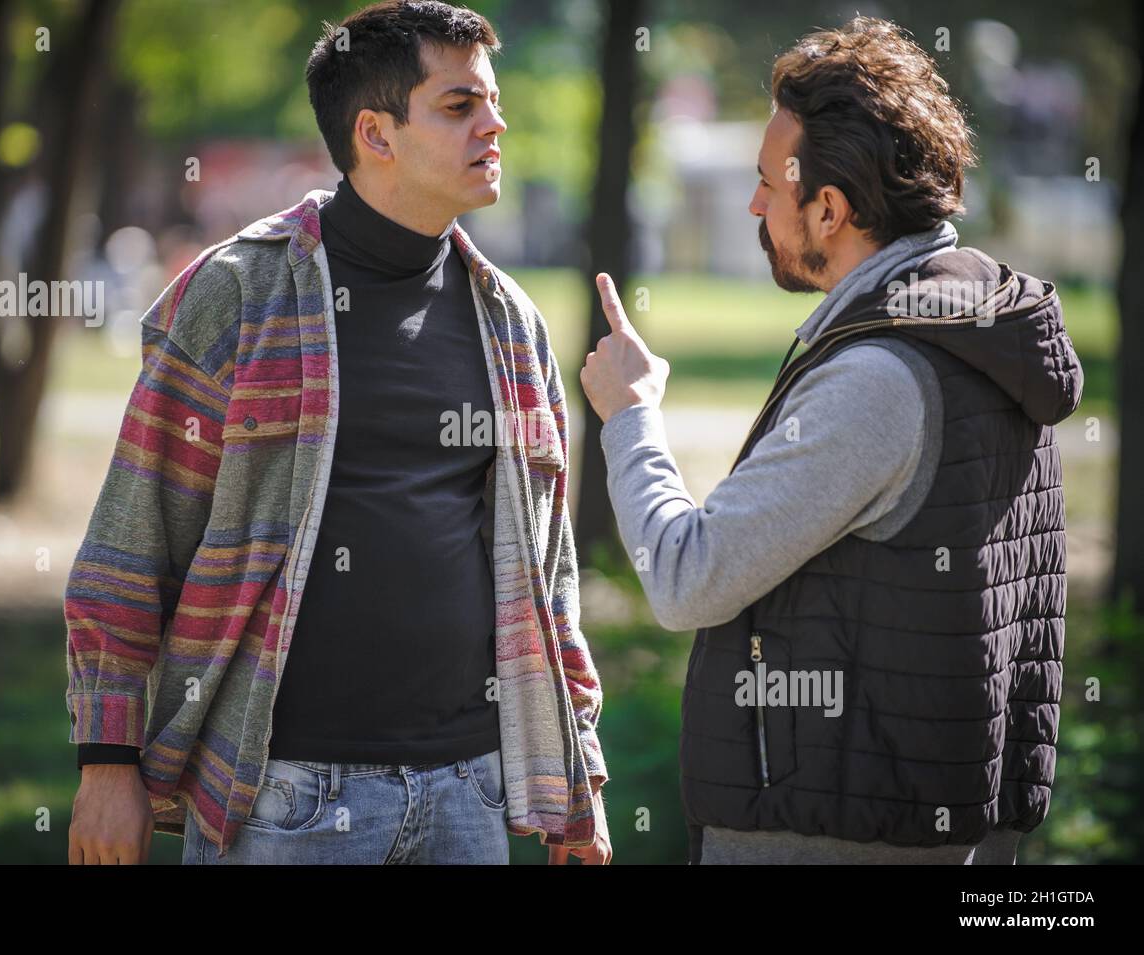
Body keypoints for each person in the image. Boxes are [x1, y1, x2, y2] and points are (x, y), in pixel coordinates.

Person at [66, 0, 610, 865]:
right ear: (377, 134)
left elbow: (550, 582)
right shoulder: (239, 295)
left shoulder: (512, 322)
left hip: (471, 788)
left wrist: (579, 778)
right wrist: (106, 765)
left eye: (493, 102)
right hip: (283, 794)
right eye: (461, 105)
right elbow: (130, 543)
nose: (496, 124)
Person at [579, 15, 1082, 865]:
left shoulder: (880, 377)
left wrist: (630, 414)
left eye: (768, 186)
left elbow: (684, 577)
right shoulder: (982, 324)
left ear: (830, 207)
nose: (752, 204)